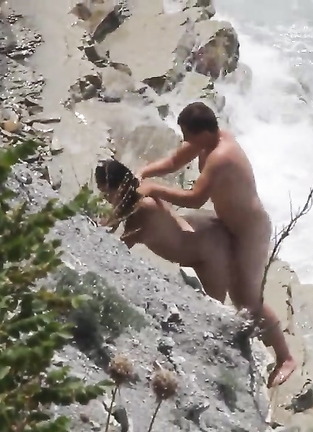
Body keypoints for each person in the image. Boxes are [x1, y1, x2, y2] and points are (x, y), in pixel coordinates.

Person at [135, 101, 296, 387]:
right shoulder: (207, 142)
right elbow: (174, 161)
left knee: (247, 298)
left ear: (204, 132)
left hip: (250, 231)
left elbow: (196, 198)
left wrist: (154, 188)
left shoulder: (222, 155)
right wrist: (145, 173)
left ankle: (285, 358)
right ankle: (233, 333)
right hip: (228, 224)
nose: (185, 141)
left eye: (188, 135)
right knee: (232, 289)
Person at [95, 159, 233, 304]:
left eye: (106, 192)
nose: (105, 198)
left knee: (217, 312)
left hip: (208, 251)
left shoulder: (142, 209)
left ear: (120, 188)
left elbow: (116, 249)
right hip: (196, 240)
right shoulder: (138, 195)